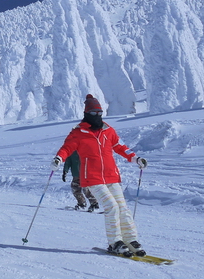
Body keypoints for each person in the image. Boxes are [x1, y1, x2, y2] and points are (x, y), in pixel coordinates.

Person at [52, 94, 148, 257]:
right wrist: (59, 158)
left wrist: (135, 158)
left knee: (122, 208)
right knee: (111, 206)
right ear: (87, 114)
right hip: (92, 178)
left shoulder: (108, 130)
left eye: (99, 112)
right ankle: (114, 243)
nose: (97, 116)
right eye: (94, 113)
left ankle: (131, 240)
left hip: (111, 175)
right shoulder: (78, 133)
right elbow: (67, 148)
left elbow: (120, 147)